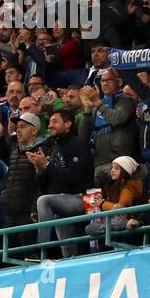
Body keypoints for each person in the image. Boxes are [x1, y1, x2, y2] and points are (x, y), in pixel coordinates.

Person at [31, 108, 94, 258]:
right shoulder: (55, 148)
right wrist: (40, 170)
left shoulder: (78, 144)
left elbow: (73, 178)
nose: (50, 125)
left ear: (68, 124)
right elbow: (46, 186)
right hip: (65, 200)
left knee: (45, 201)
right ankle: (70, 260)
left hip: (88, 199)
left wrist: (47, 165)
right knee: (56, 213)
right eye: (49, 122)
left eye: (55, 121)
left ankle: (42, 252)